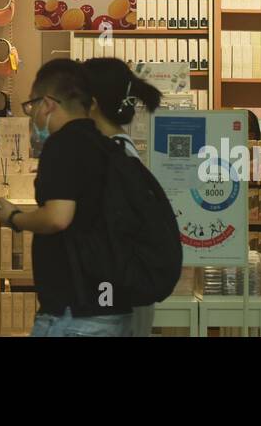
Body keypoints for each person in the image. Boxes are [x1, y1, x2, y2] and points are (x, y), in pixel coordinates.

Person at [0, 59, 132, 336]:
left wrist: (15, 218)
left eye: (32, 105)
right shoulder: (106, 145)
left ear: (48, 104)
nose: (34, 116)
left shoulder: (63, 144)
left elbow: (57, 217)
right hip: (112, 305)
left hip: (73, 312)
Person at [81, 57, 163, 336]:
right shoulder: (117, 150)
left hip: (119, 295)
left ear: (91, 103)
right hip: (124, 292)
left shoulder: (113, 156)